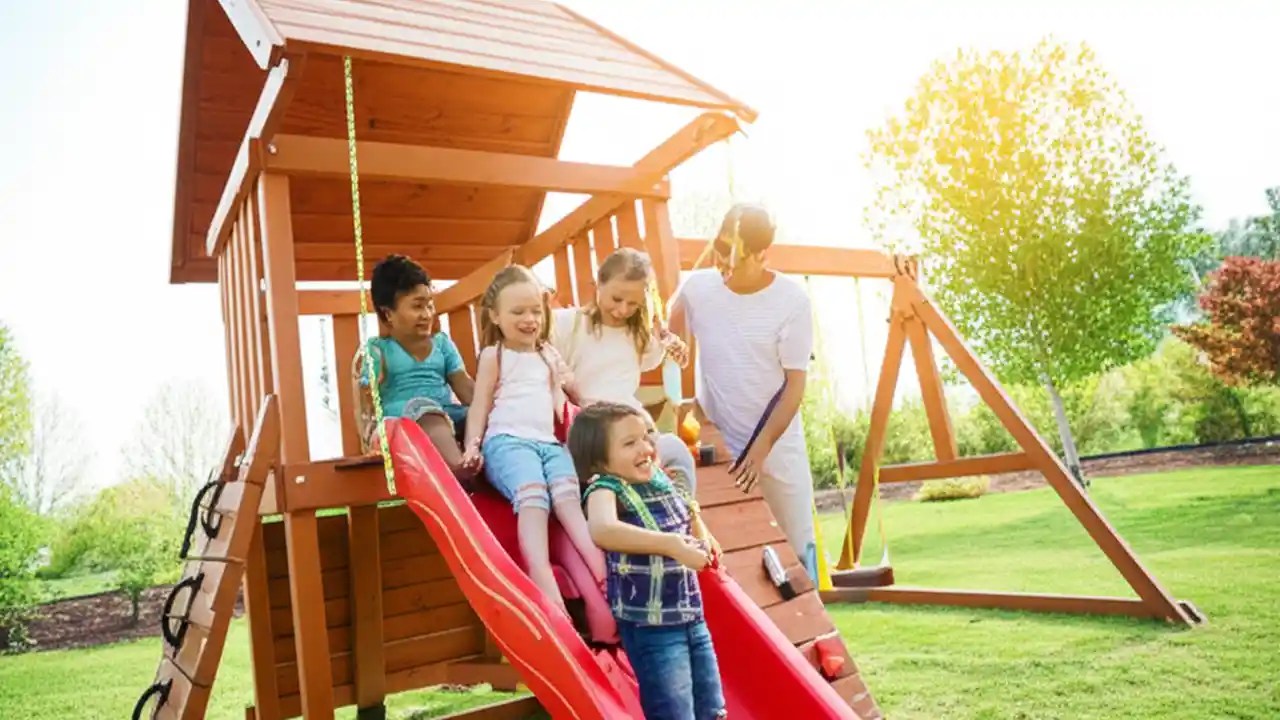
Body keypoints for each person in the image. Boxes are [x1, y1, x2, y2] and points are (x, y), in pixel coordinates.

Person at [668, 203, 819, 578]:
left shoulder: (792, 301)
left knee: (798, 552)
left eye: (736, 259)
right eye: (721, 252)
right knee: (731, 559)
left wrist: (761, 448)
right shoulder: (697, 288)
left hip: (777, 445)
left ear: (763, 253)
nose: (724, 267)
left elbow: (795, 384)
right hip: (718, 445)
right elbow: (663, 335)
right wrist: (684, 401)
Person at [569, 402, 726, 720]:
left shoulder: (658, 479)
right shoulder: (606, 487)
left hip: (691, 616)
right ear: (599, 460)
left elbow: (684, 507)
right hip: (651, 627)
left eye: (645, 436)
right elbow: (602, 530)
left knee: (712, 707)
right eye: (629, 443)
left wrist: (702, 532)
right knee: (673, 710)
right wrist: (670, 545)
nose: (645, 447)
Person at [463, 265, 606, 613]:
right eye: (518, 312)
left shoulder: (547, 354)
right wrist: (473, 444)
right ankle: (540, 575)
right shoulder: (494, 356)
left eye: (535, 310)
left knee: (569, 496)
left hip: (547, 443)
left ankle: (604, 573)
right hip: (507, 442)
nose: (529, 319)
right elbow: (479, 404)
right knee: (534, 496)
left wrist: (590, 405)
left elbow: (575, 395)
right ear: (495, 315)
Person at [550, 248, 697, 493]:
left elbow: (655, 359)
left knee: (676, 450)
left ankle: (683, 514)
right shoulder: (569, 324)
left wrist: (664, 338)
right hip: (593, 428)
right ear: (599, 283)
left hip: (634, 425)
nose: (622, 310)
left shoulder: (637, 334)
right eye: (616, 299)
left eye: (633, 304)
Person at [354, 255, 475, 478]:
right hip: (401, 428)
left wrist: (492, 407)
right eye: (418, 306)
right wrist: (369, 433)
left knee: (472, 415)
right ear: (388, 313)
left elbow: (465, 388)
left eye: (430, 305)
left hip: (444, 421)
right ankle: (459, 469)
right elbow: (366, 399)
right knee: (425, 409)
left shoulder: (442, 345)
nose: (427, 314)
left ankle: (488, 462)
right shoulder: (379, 350)